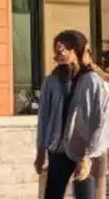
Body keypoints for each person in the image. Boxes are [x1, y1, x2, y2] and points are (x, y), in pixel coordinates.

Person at [35, 29, 109, 199]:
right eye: (57, 49)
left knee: (86, 195)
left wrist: (88, 155)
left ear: (76, 51)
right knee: (52, 195)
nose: (60, 53)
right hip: (58, 150)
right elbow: (44, 117)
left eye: (64, 49)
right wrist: (41, 150)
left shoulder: (92, 81)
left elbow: (101, 119)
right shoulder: (51, 81)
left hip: (85, 151)